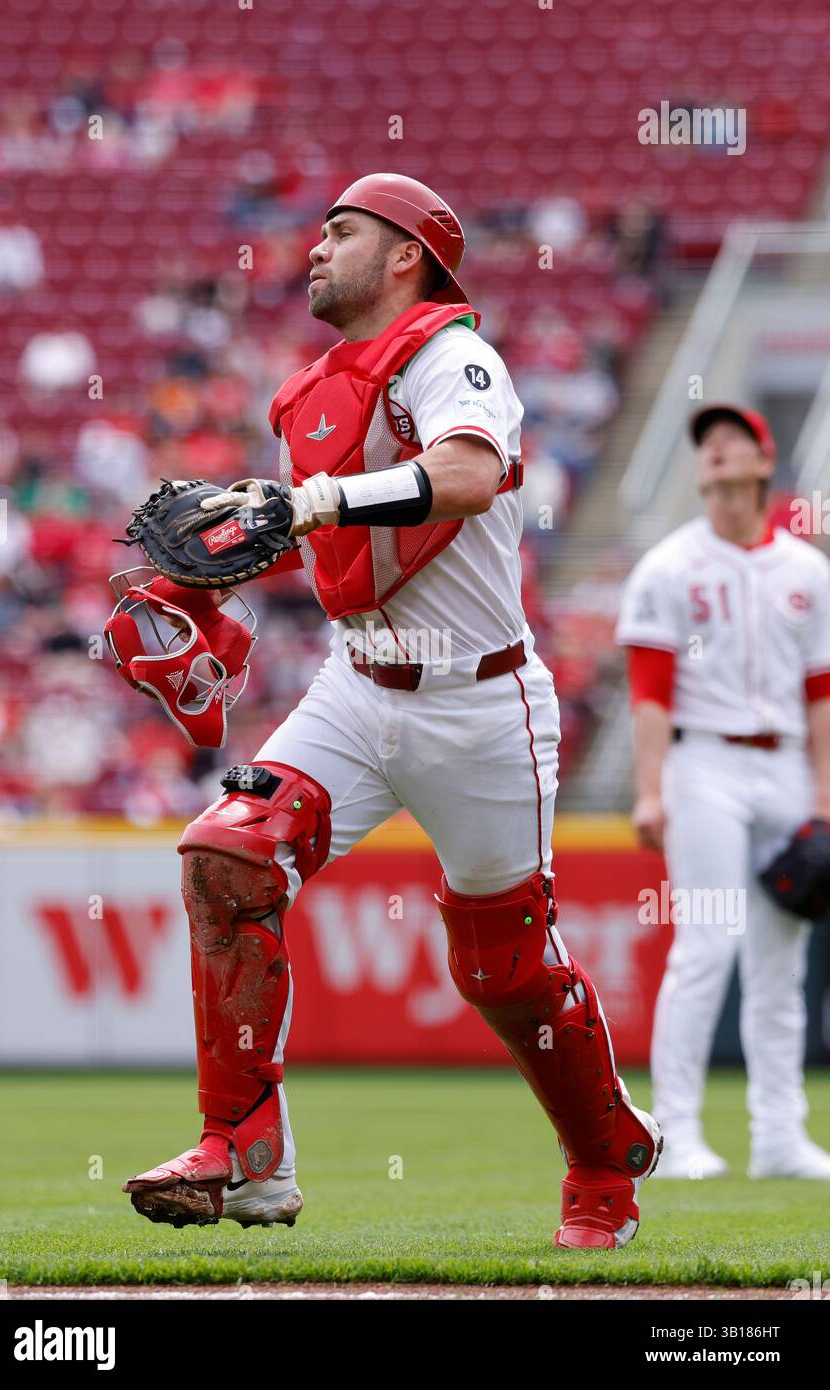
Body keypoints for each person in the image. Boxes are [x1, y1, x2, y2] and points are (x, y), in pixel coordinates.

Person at [121, 172, 661, 1248]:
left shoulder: (451, 353)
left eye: (341, 229)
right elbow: (311, 540)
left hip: (479, 701)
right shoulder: (317, 388)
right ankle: (245, 1152)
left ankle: (604, 1161)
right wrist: (191, 596)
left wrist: (312, 498)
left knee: (502, 973)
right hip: (358, 684)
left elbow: (462, 475)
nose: (315, 246)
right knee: (224, 855)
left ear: (405, 253)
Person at [616, 404, 830, 1179]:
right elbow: (650, 693)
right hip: (702, 762)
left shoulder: (807, 570)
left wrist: (824, 798)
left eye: (731, 440)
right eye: (706, 443)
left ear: (764, 461)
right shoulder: (672, 565)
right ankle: (674, 1132)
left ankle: (779, 1135)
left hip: (785, 770)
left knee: (784, 958)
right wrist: (649, 792)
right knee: (707, 944)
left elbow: (821, 694)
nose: (715, 452)